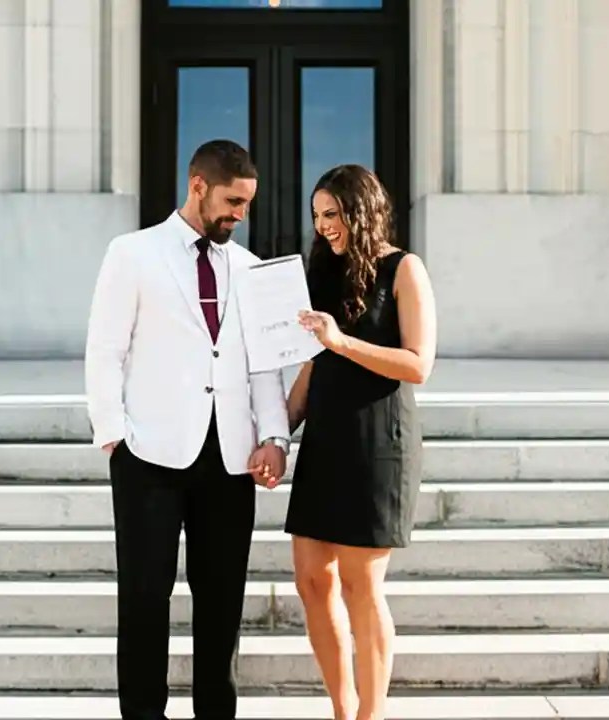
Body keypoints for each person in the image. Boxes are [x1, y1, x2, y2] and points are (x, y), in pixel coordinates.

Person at [84, 138, 291, 720]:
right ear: (197, 186)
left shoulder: (251, 270)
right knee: (146, 599)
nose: (240, 215)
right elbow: (104, 351)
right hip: (148, 454)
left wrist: (274, 437)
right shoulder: (133, 253)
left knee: (222, 603)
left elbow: (264, 366)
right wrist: (114, 436)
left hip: (229, 461)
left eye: (247, 204)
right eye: (232, 201)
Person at [285, 164, 437, 720]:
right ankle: (342, 708)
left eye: (334, 213)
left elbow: (419, 364)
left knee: (360, 586)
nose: (324, 225)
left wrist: (341, 341)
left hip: (378, 441)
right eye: (318, 215)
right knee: (310, 580)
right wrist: (279, 431)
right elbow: (309, 366)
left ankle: (369, 717)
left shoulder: (404, 269)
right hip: (324, 440)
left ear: (362, 209)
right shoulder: (321, 273)